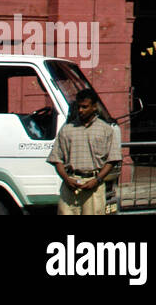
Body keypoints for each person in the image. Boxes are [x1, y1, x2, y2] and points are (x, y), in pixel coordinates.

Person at [46, 88, 121, 216]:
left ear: (94, 107)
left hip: (94, 186)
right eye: (79, 107)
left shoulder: (106, 130)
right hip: (71, 186)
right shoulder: (67, 130)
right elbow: (56, 159)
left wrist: (97, 180)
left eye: (85, 107)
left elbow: (112, 160)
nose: (80, 110)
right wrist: (66, 179)